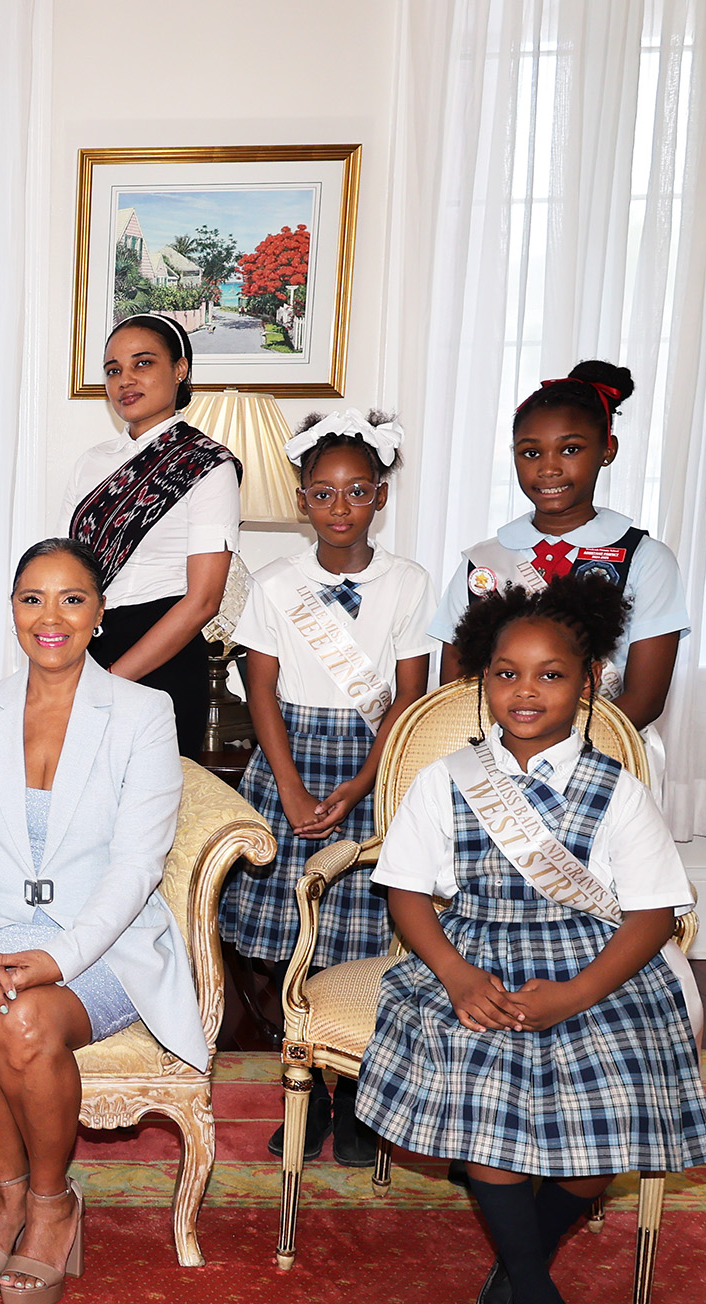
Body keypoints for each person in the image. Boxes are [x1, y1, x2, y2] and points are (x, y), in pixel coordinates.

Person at [357, 578, 706, 1304]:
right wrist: (455, 975)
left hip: (592, 966)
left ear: (588, 682)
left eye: (551, 675)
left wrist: (579, 994)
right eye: (507, 673)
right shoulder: (447, 780)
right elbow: (405, 891)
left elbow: (652, 914)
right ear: (482, 680)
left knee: (605, 1119)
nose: (526, 691)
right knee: (488, 1090)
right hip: (472, 958)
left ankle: (518, 1270)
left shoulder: (616, 788)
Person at [0, 538, 204, 1304]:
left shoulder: (144, 713)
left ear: (99, 613)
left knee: (27, 1023)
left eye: (72, 599)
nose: (51, 617)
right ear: (12, 610)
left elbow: (137, 866)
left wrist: (58, 957)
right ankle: (9, 1194)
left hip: (104, 939)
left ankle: (52, 1204)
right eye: (32, 598)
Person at [219, 411, 432, 1166]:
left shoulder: (408, 582)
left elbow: (409, 695)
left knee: (363, 938)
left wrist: (362, 784)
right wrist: (291, 788)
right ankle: (303, 1090)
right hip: (288, 761)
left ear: (380, 496)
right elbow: (260, 690)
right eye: (323, 493)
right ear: (303, 498)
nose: (340, 507)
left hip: (374, 764)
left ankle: (359, 1095)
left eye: (357, 491)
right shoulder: (276, 583)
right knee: (288, 940)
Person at [431, 361, 686, 785]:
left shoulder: (645, 558)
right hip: (495, 773)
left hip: (604, 761)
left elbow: (646, 697)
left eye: (570, 449)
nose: (548, 468)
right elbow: (457, 689)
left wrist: (562, 761)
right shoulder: (483, 562)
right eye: (531, 453)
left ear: (608, 449)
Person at [62, 314, 240, 758]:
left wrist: (110, 681)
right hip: (88, 645)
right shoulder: (91, 462)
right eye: (113, 370)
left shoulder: (207, 465)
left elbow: (204, 601)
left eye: (142, 363)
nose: (125, 380)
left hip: (164, 657)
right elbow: (66, 574)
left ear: (180, 369)